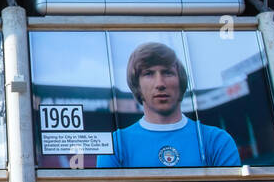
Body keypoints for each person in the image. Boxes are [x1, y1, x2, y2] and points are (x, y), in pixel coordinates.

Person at [99, 42, 240, 168]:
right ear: (137, 86)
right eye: (149, 74)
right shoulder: (116, 145)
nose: (160, 84)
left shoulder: (216, 140)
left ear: (181, 82)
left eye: (167, 73)